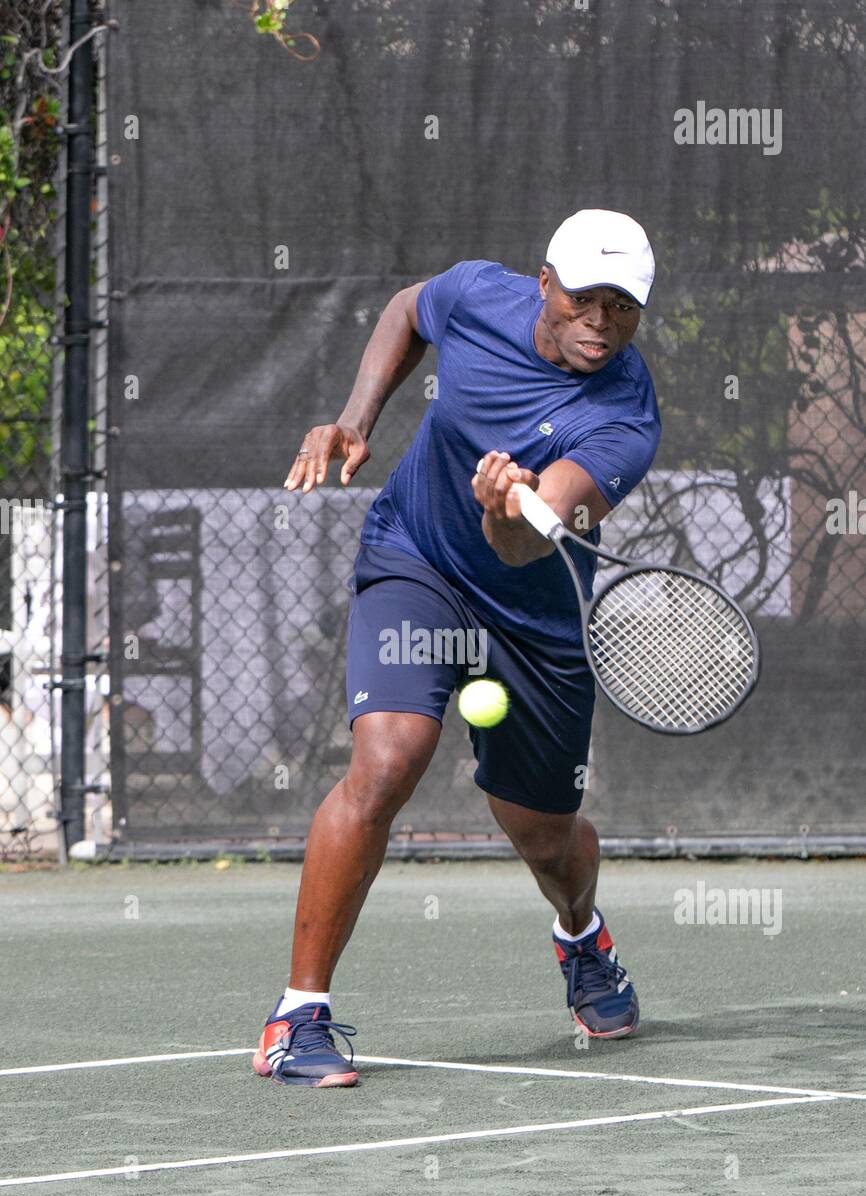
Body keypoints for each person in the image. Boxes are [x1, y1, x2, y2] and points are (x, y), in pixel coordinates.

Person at [253, 209, 661, 1087]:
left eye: (622, 307)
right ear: (542, 283)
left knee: (544, 835)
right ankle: (298, 1018)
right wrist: (357, 416)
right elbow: (406, 309)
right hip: (418, 558)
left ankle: (583, 938)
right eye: (584, 297)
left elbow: (523, 544)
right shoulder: (480, 294)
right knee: (388, 758)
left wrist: (501, 508)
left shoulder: (624, 419)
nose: (601, 321)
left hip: (535, 613)